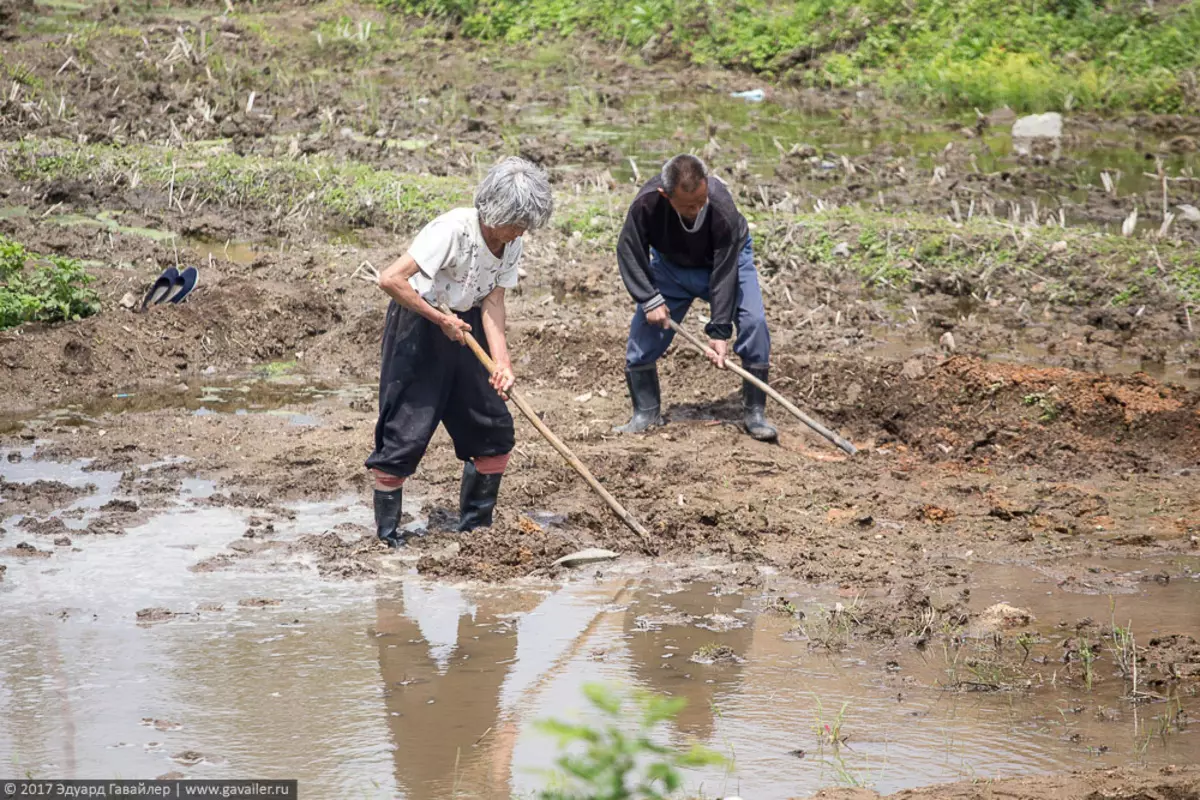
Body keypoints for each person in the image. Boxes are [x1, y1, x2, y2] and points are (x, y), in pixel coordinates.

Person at [365, 157, 554, 547]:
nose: (520, 233)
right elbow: (391, 279)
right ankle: (386, 538)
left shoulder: (510, 242)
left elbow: (494, 302)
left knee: (492, 429)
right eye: (515, 224)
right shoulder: (452, 230)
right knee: (405, 431)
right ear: (493, 211)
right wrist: (439, 319)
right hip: (421, 323)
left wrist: (501, 363)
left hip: (467, 327)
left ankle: (476, 533)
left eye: (525, 227)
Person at [614, 154, 777, 441]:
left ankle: (754, 412)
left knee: (754, 322)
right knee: (643, 332)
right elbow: (629, 250)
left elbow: (726, 271)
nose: (698, 208)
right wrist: (649, 298)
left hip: (726, 264)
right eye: (689, 205)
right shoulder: (647, 204)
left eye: (701, 200)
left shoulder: (721, 207)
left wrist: (719, 329)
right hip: (671, 269)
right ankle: (646, 412)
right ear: (666, 195)